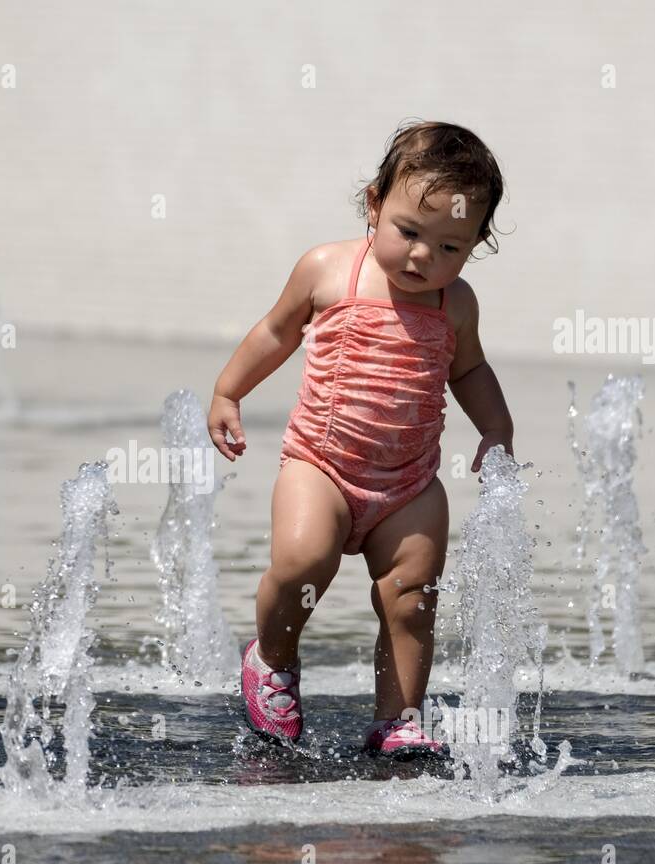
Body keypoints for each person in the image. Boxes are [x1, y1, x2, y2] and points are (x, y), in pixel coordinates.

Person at [207, 120, 515, 757]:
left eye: (450, 247)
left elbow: (471, 370)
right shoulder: (326, 269)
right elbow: (276, 332)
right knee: (301, 565)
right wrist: (229, 391)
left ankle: (397, 716)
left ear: (475, 244)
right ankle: (273, 659)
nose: (423, 258)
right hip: (321, 465)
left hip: (408, 485)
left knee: (412, 600)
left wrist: (496, 427)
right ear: (375, 204)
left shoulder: (455, 304)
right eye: (408, 233)